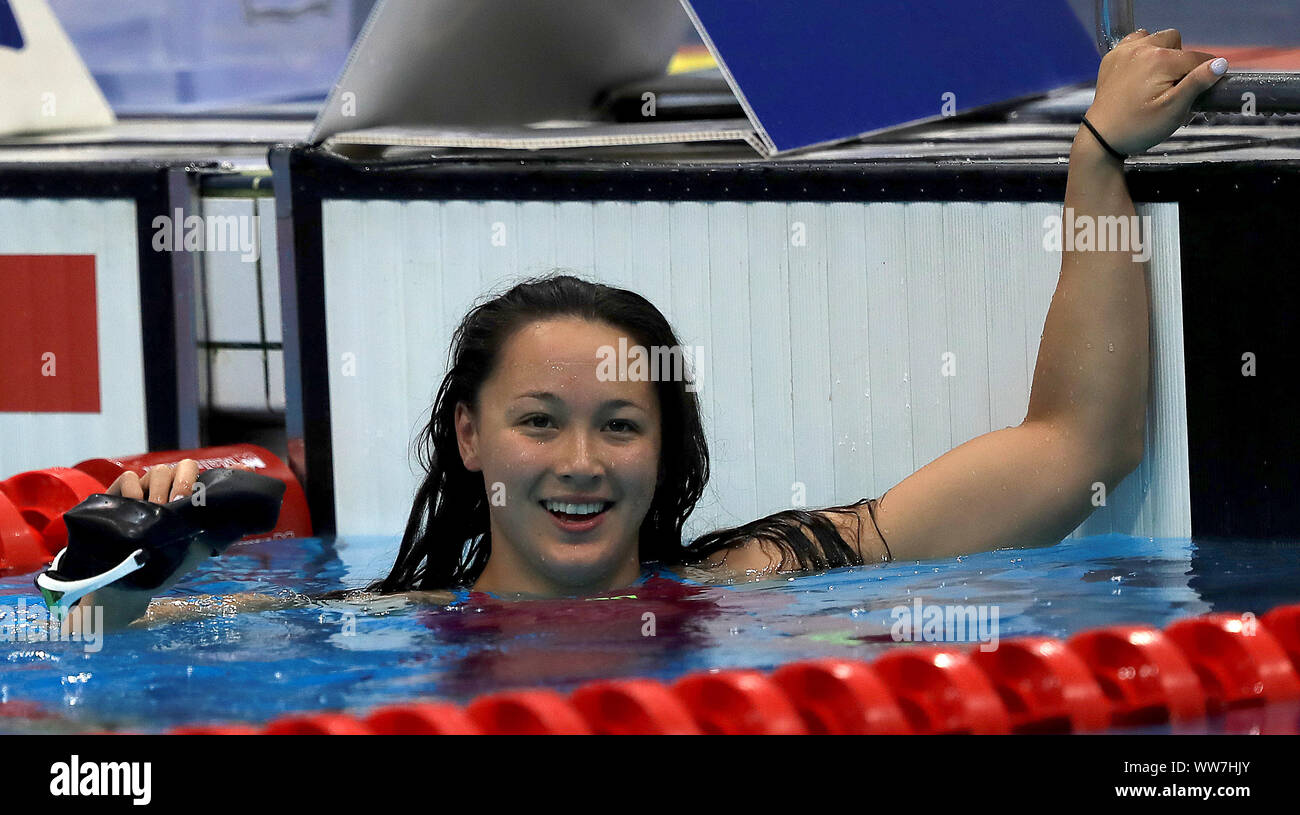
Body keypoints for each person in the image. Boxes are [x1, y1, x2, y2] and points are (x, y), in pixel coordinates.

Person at [72, 29, 1227, 629]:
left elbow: (1077, 447)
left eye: (620, 423)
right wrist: (131, 565)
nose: (580, 463)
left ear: (665, 442)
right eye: (538, 421)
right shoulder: (372, 631)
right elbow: (104, 662)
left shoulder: (772, 576)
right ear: (469, 439)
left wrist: (1098, 157)